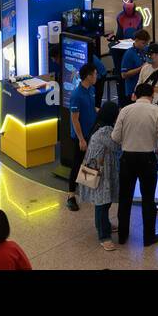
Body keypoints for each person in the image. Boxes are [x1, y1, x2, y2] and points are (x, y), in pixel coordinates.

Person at [111, 82, 158, 247]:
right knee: (148, 199)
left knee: (125, 198)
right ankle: (148, 237)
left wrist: (127, 141)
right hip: (148, 159)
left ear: (136, 95)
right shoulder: (156, 111)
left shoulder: (125, 110)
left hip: (127, 158)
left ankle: (122, 236)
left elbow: (115, 136)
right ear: (151, 96)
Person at [78, 101, 122, 250]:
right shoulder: (105, 131)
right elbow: (117, 147)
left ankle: (103, 225)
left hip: (101, 170)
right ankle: (104, 236)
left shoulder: (99, 126)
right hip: (101, 173)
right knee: (102, 203)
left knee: (103, 202)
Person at [65, 63, 98, 212]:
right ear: (89, 76)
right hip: (81, 136)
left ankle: (86, 189)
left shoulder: (91, 89)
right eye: (95, 74)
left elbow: (91, 108)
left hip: (91, 133)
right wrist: (81, 139)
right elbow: (74, 119)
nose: (97, 77)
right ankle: (70, 195)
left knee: (90, 162)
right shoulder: (76, 95)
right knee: (77, 163)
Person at [120, 28, 152, 100]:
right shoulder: (129, 54)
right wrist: (141, 68)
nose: (145, 45)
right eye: (143, 43)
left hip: (145, 90)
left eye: (147, 43)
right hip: (133, 90)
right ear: (136, 40)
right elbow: (124, 75)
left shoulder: (146, 49)